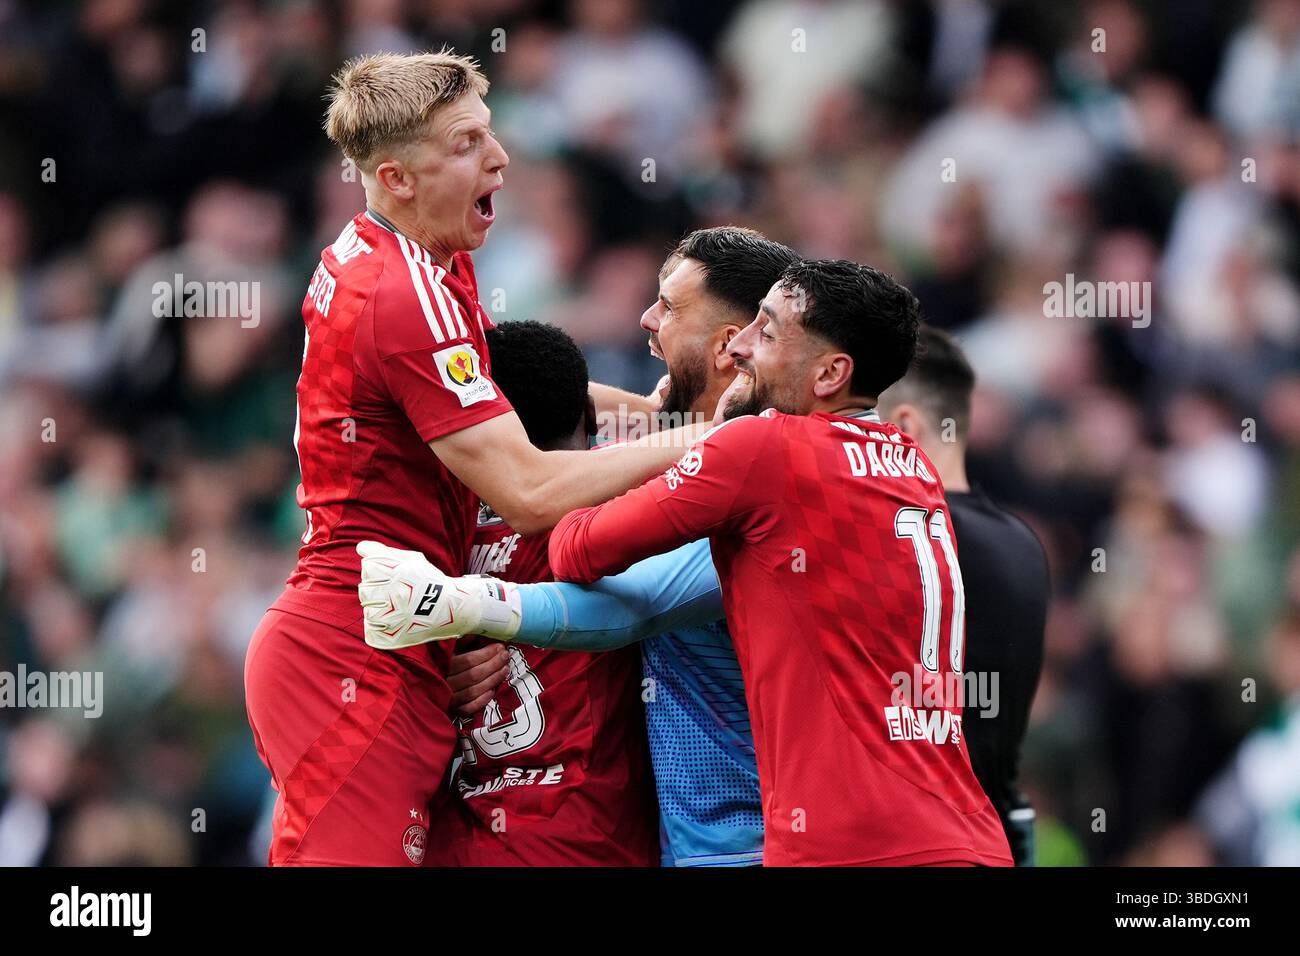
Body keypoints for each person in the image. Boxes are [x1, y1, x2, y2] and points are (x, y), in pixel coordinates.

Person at [365, 259, 1013, 866]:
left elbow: (573, 547)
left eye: (768, 330)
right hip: (965, 830)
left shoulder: (763, 448)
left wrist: (467, 598)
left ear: (828, 374)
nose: (741, 348)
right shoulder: (912, 464)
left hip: (832, 843)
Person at [244, 50, 704, 867]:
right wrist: (710, 440)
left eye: (490, 134)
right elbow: (526, 488)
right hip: (352, 645)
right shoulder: (402, 292)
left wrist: (658, 414)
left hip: (398, 629)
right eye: (465, 144)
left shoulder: (415, 254)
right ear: (398, 176)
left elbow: (491, 391)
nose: (498, 159)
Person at [440, 226, 795, 866]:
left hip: (757, 845)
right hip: (678, 843)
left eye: (669, 306)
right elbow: (535, 388)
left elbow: (613, 600)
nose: (646, 319)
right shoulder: (662, 456)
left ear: (725, 347)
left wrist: (479, 610)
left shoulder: (755, 493)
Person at [425, 320, 657, 866]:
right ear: (592, 419)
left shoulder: (431, 532)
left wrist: (436, 668)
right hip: (587, 840)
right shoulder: (624, 511)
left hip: (461, 838)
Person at [877, 325, 1049, 865]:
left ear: (905, 426)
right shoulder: (1024, 543)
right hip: (998, 836)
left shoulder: (910, 533)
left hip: (924, 842)